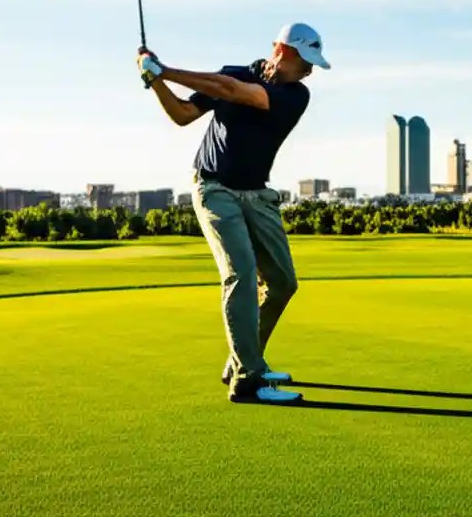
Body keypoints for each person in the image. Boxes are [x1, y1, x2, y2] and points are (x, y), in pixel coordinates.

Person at [136, 23, 330, 404]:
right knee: (240, 272)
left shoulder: (295, 95)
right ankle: (248, 379)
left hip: (258, 195)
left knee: (282, 283)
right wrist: (155, 80)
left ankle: (242, 359)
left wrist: (166, 71)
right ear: (282, 51)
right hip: (215, 188)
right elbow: (182, 114)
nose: (309, 70)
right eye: (305, 61)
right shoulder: (232, 74)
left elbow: (236, 93)